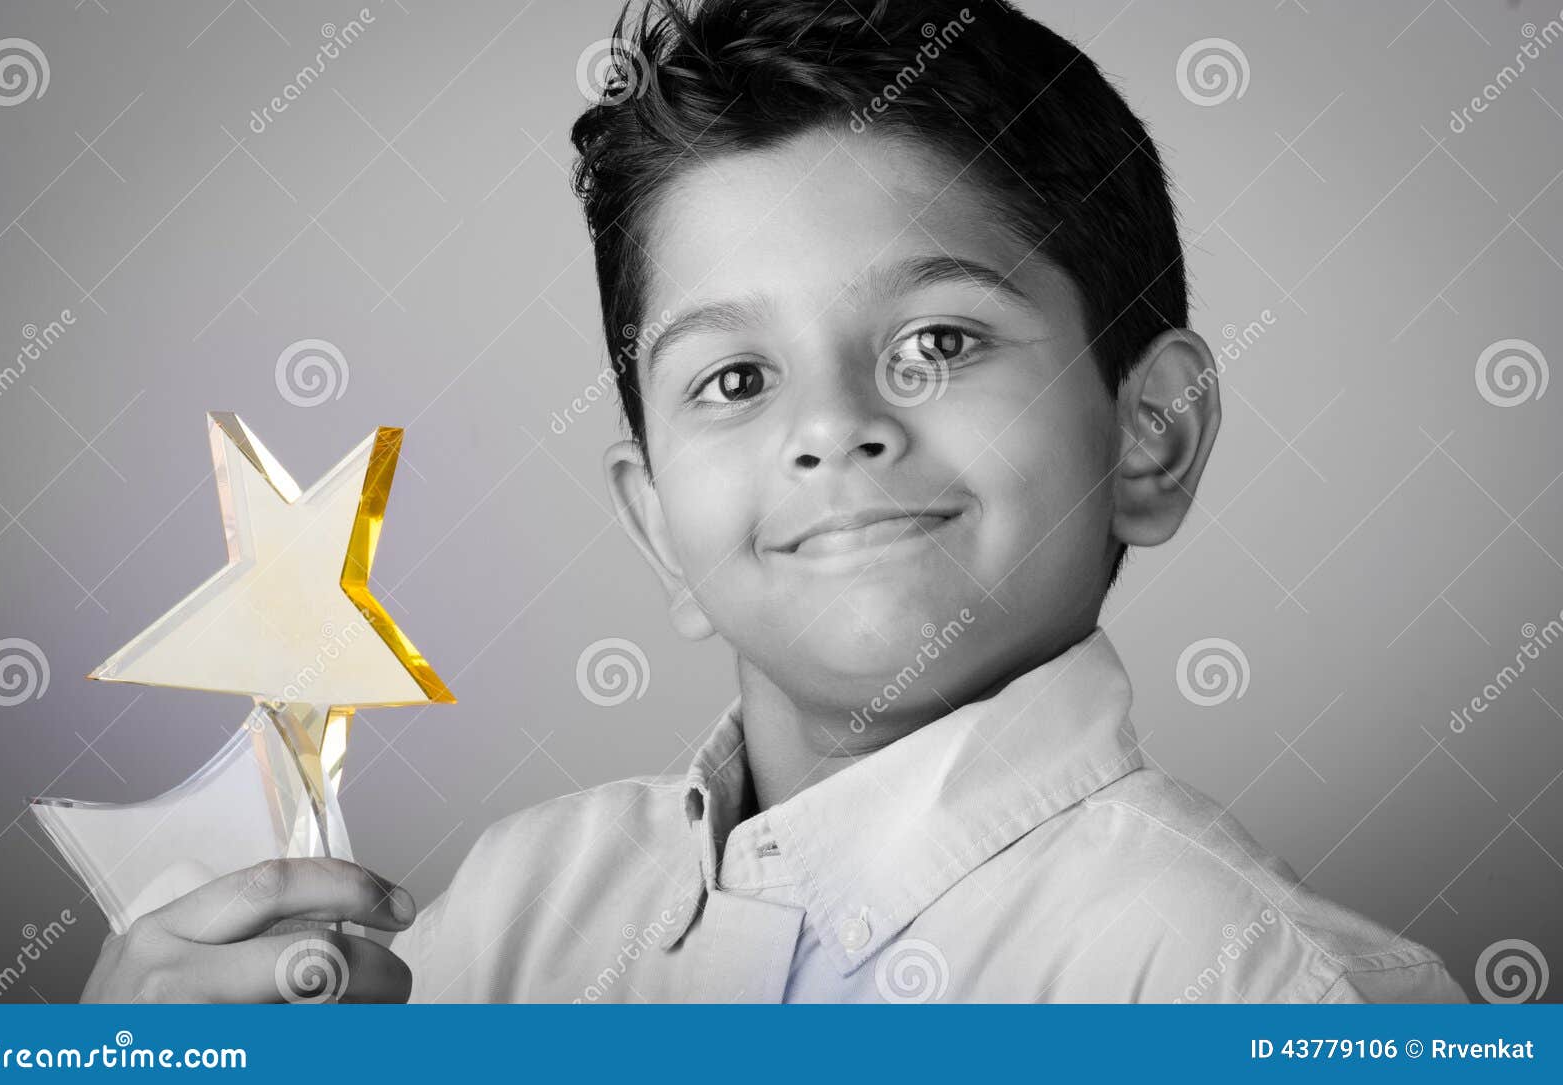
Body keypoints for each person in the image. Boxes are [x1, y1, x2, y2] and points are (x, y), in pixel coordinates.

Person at [81, 0, 1467, 1003]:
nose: (835, 428)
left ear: (1151, 431)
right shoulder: (507, 915)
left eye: (939, 340)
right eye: (736, 377)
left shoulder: (1262, 991)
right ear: (657, 529)